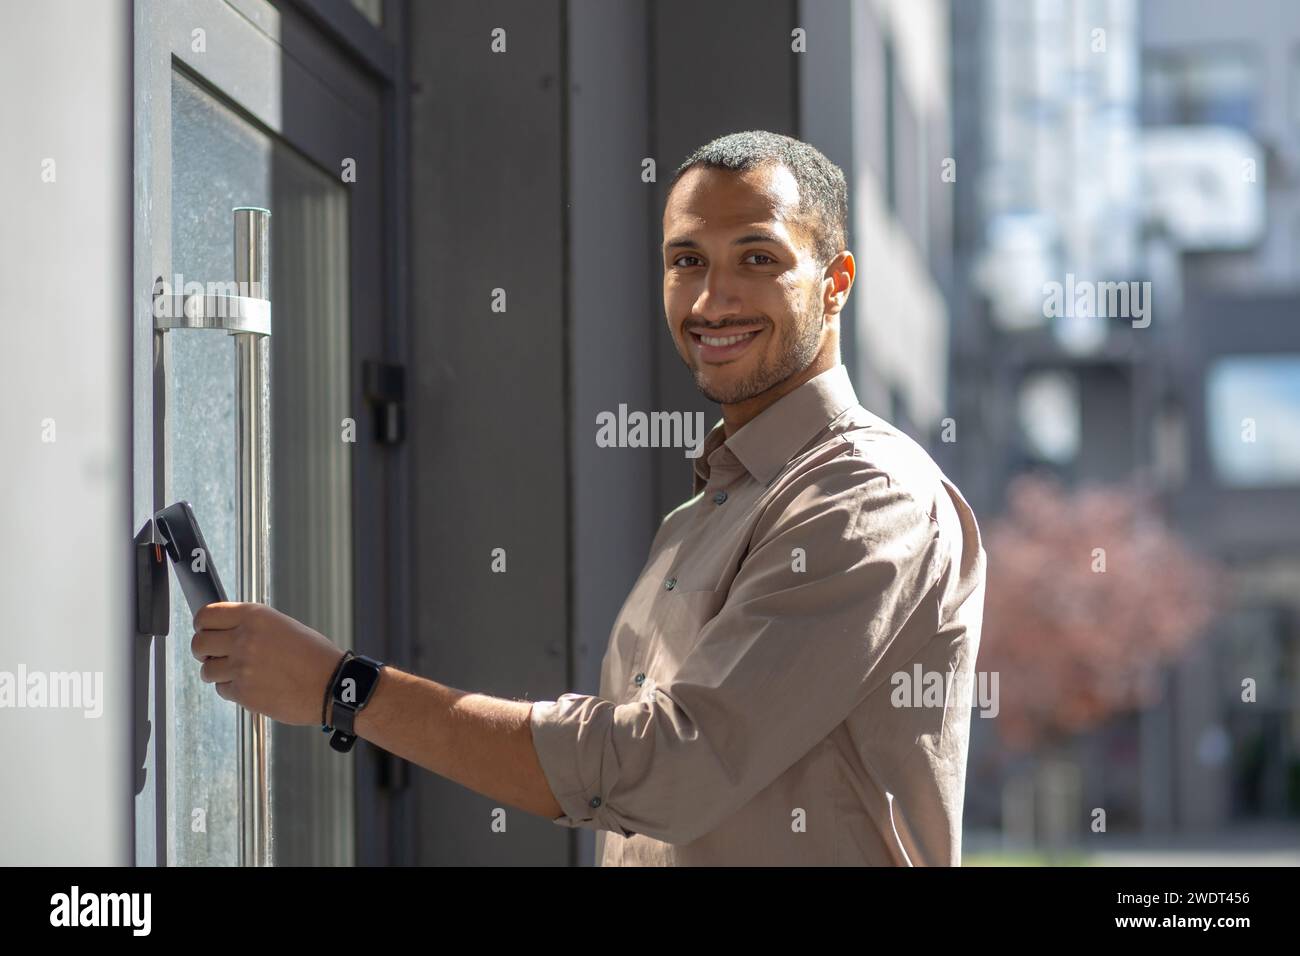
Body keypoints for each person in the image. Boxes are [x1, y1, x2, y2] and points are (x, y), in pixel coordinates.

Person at [191, 130, 986, 866]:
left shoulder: (866, 494)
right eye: (686, 261)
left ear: (836, 282)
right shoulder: (700, 516)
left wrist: (346, 689)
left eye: (757, 258)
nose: (712, 300)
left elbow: (668, 769)